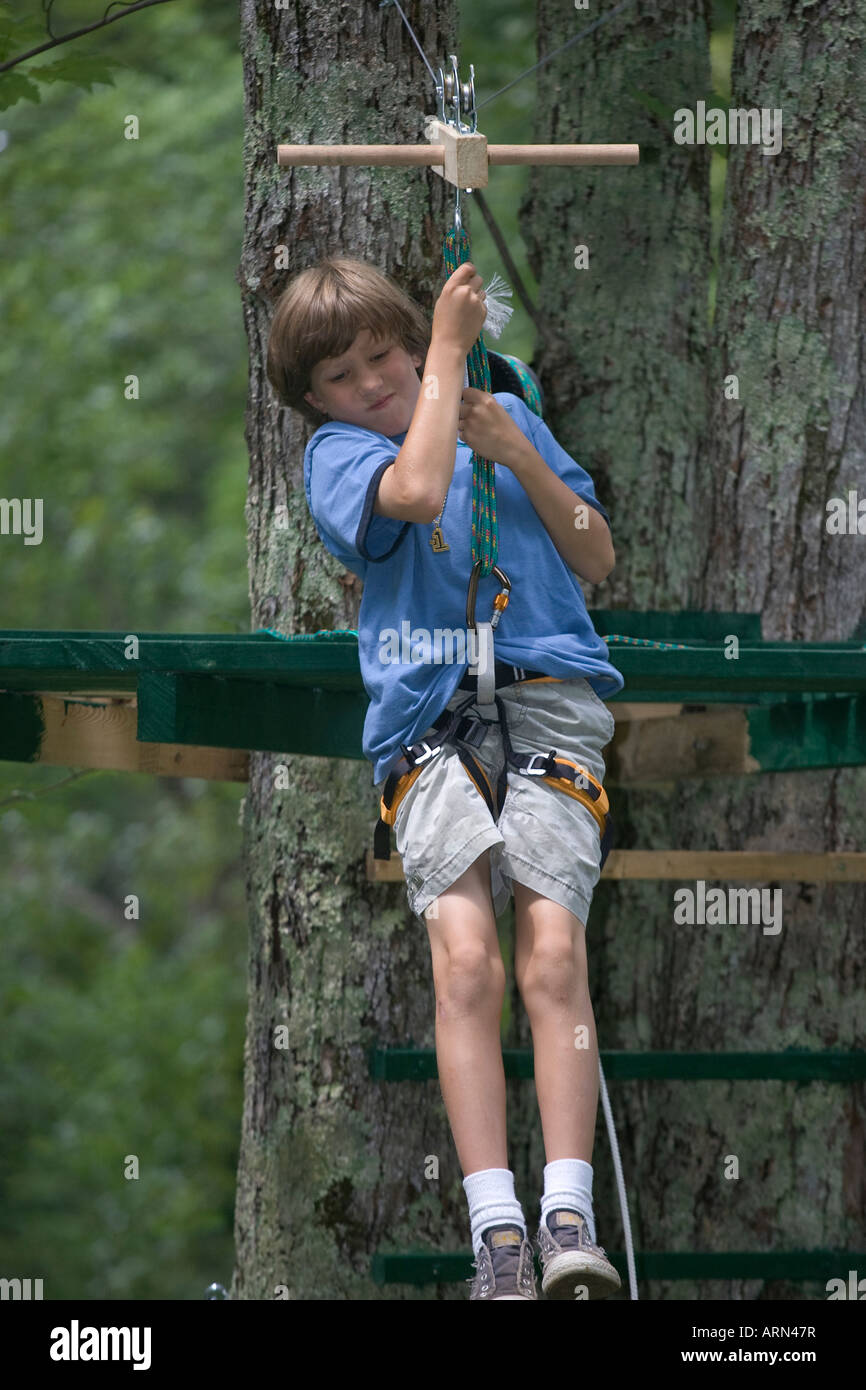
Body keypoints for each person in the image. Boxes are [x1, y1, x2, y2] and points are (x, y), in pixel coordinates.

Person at [266, 255, 625, 1301]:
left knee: (550, 953)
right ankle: (497, 1234)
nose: (371, 383)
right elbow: (416, 491)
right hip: (429, 720)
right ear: (311, 401)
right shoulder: (339, 456)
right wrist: (443, 357)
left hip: (546, 694)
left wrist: (520, 447)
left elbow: (593, 554)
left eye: (385, 356)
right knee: (465, 960)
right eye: (341, 375)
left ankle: (568, 1217)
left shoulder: (495, 410)